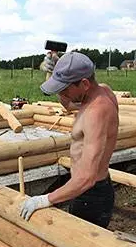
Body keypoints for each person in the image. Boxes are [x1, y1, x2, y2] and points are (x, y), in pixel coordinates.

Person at [20, 52, 119, 228]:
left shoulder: (96, 113)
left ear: (84, 84)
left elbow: (88, 177)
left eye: (65, 88)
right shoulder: (101, 91)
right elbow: (68, 104)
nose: (62, 93)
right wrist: (57, 70)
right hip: (84, 189)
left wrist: (44, 200)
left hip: (90, 194)